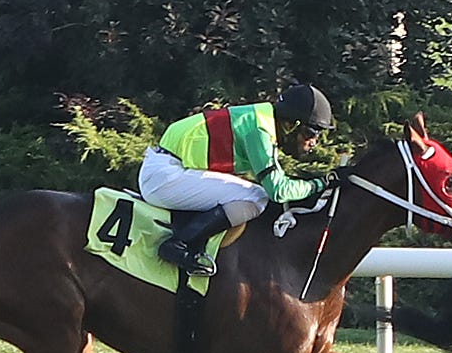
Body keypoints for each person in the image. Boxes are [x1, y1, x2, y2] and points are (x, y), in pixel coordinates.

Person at [139, 84, 334, 277]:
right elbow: (278, 190)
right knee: (256, 197)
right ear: (291, 125)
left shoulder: (259, 118)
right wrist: (320, 184)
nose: (313, 143)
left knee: (247, 189)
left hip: (166, 170)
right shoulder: (259, 130)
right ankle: (179, 244)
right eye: (311, 133)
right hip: (165, 176)